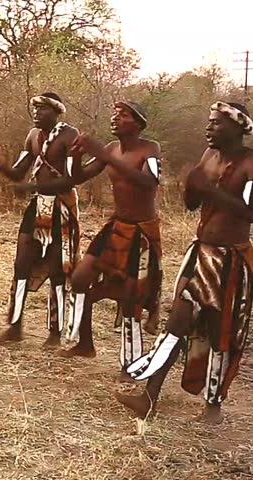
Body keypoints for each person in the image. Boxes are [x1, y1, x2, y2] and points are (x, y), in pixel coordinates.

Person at [116, 101, 253, 425]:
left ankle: (214, 406)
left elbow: (250, 213)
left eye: (217, 123)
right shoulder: (208, 156)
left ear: (237, 127)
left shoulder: (250, 164)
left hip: (229, 260)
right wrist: (192, 186)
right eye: (208, 121)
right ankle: (149, 396)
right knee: (176, 323)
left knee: (222, 332)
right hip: (200, 253)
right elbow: (193, 203)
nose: (209, 128)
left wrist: (211, 190)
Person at [59, 102, 163, 382]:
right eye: (115, 114)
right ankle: (84, 344)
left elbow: (149, 183)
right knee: (80, 279)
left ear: (138, 124)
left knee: (132, 299)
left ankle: (131, 363)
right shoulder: (110, 150)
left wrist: (101, 153)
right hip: (115, 226)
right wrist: (79, 156)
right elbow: (79, 177)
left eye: (124, 115)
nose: (116, 118)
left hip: (141, 230)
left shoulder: (149, 149)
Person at [0, 93, 80, 347]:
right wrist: (4, 169)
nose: (36, 112)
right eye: (35, 108)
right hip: (37, 206)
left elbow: (71, 179)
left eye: (42, 108)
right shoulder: (32, 136)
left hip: (60, 206)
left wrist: (29, 188)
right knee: (21, 263)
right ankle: (15, 326)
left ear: (56, 111)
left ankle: (55, 332)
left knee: (57, 268)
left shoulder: (69, 136)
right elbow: (21, 171)